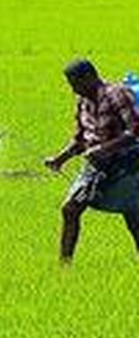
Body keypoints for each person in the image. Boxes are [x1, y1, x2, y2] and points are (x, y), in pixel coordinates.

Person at [44, 59, 139, 264]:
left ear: (90, 77)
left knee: (133, 216)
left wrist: (105, 149)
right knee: (70, 208)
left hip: (127, 164)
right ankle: (64, 265)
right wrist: (60, 158)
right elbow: (80, 139)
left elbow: (135, 131)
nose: (73, 89)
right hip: (96, 166)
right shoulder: (83, 101)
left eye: (75, 83)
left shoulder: (117, 94)